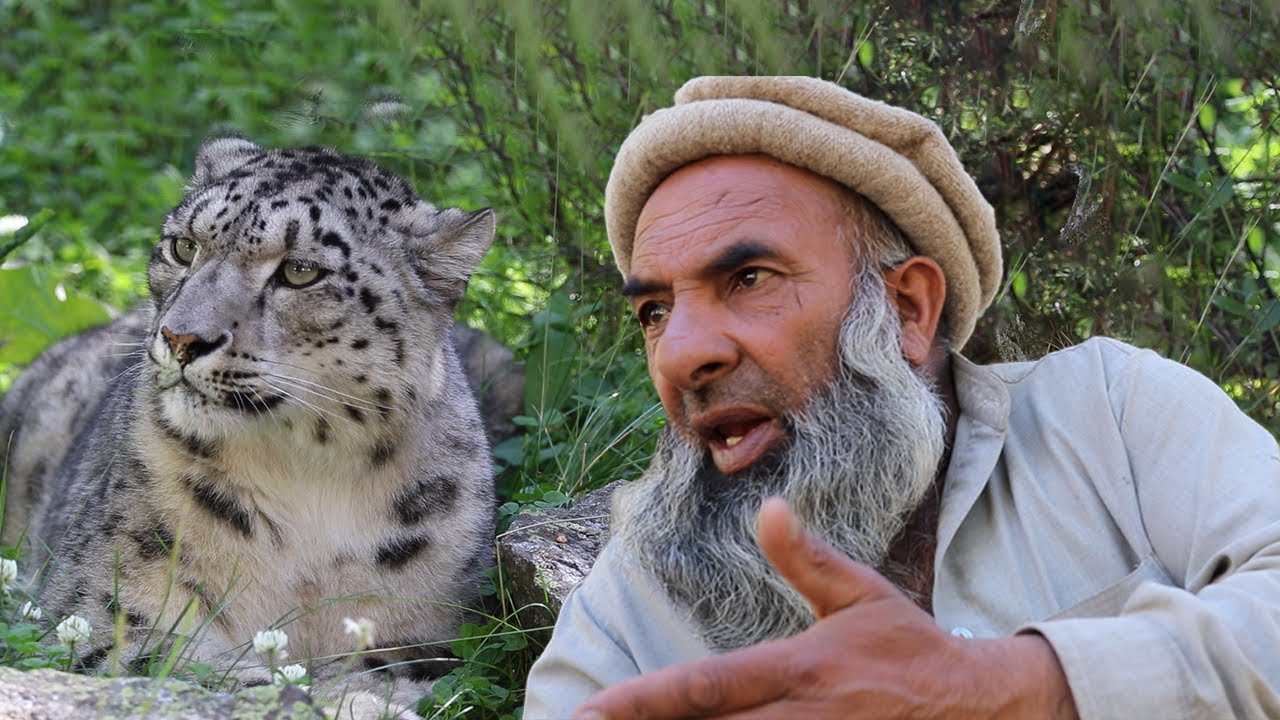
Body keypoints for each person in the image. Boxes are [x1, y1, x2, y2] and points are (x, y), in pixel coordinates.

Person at [521, 76, 1280, 719]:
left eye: (750, 280)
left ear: (906, 309)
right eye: (655, 311)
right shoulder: (636, 597)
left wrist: (1007, 687)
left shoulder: (1109, 413)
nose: (683, 353)